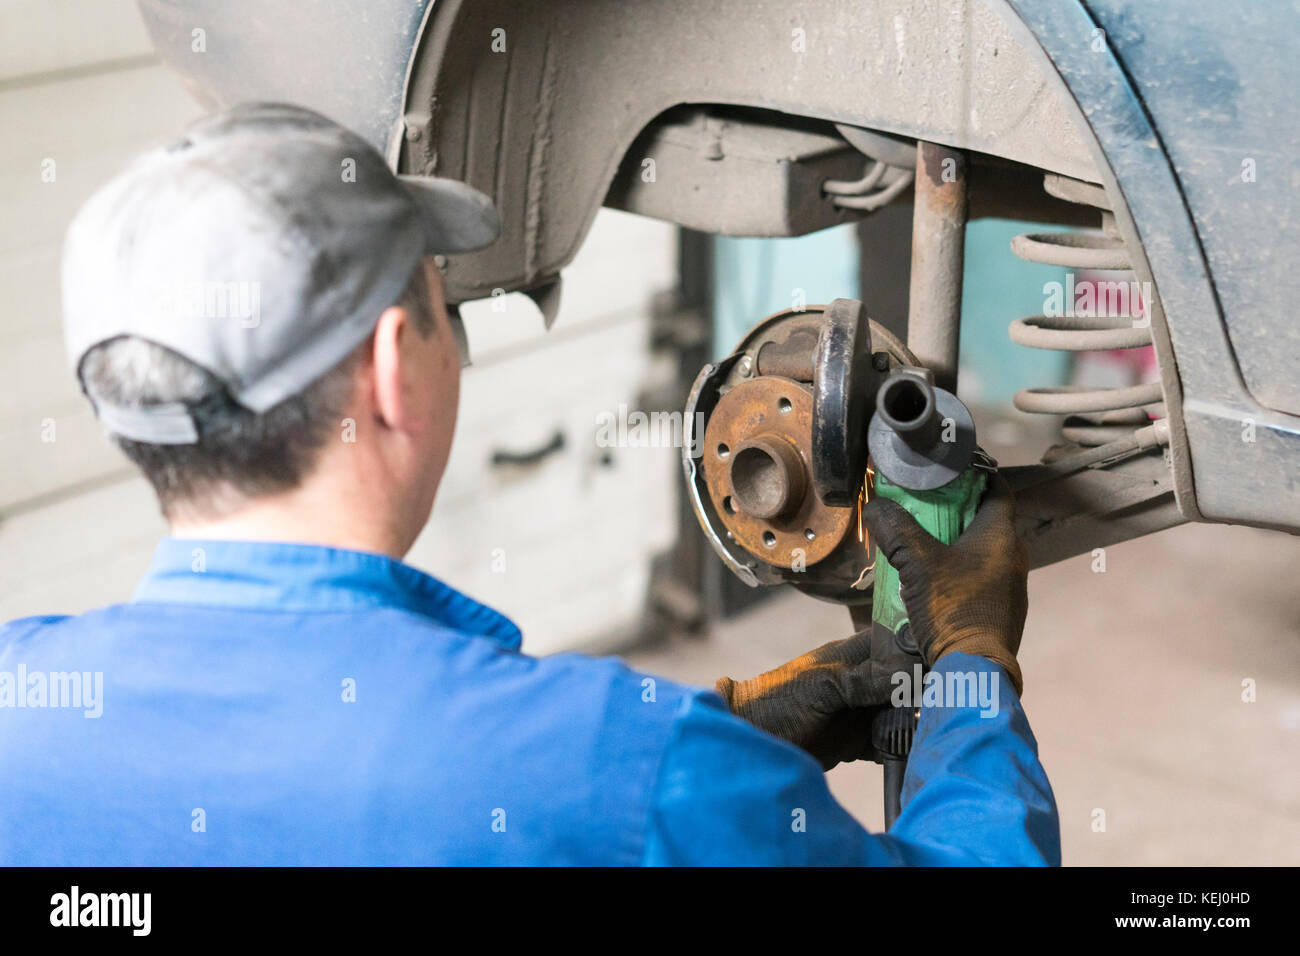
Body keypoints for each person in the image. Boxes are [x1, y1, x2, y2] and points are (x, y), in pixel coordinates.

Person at [0, 103, 1058, 865]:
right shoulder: (622, 765)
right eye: (440, 303)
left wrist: (717, 736)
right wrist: (968, 662)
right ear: (387, 370)